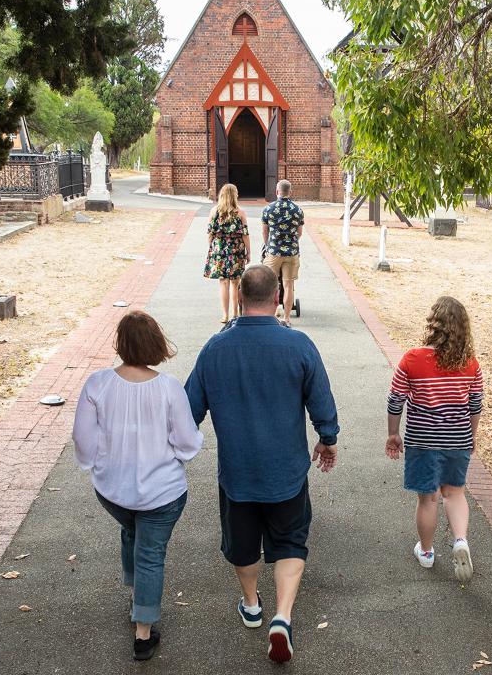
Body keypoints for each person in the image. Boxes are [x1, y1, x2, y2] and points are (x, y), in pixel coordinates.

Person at [185, 265, 339, 664]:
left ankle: (252, 604)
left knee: (242, 544)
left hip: (237, 472)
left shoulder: (215, 349)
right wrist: (327, 437)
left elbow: (188, 412)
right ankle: (282, 616)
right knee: (290, 541)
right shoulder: (299, 345)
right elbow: (321, 399)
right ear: (278, 298)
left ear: (239, 297)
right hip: (286, 471)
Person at [72, 310, 204, 661]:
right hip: (162, 491)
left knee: (132, 528)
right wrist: (181, 453)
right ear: (156, 344)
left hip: (113, 490)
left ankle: (135, 590)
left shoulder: (97, 384)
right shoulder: (169, 388)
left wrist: (96, 463)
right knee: (151, 553)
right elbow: (187, 441)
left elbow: (83, 439)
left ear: (121, 343)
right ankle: (143, 633)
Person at [384, 296, 484, 582]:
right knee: (455, 493)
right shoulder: (470, 364)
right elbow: (475, 405)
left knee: (428, 499)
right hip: (458, 438)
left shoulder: (412, 359)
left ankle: (426, 552)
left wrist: (393, 433)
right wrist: (471, 436)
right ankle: (460, 540)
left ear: (433, 324)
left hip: (423, 441)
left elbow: (395, 400)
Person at [205, 183, 250, 323]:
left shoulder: (214, 212)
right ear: (234, 196)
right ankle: (235, 314)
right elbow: (245, 235)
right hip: (236, 250)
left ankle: (225, 315)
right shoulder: (240, 213)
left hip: (219, 250)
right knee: (235, 283)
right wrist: (248, 252)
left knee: (223, 282)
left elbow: (210, 233)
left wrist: (212, 248)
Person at [261, 179, 304, 326]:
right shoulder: (297, 210)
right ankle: (286, 318)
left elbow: (265, 231)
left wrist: (268, 245)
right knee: (288, 285)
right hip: (291, 252)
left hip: (274, 251)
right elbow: (299, 232)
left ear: (277, 191)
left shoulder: (268, 209)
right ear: (290, 192)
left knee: (271, 285)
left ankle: (272, 316)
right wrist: (291, 243)